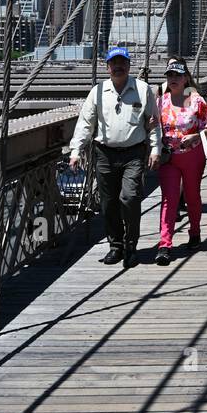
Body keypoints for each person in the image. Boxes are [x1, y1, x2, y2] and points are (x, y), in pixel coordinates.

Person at [68, 46, 161, 269]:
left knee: (129, 198)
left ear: (129, 65)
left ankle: (131, 245)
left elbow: (154, 121)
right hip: (104, 154)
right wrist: (76, 151)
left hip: (133, 153)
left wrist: (156, 149)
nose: (118, 67)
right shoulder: (98, 91)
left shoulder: (142, 89)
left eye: (122, 62)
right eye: (114, 63)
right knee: (108, 203)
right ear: (107, 66)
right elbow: (85, 124)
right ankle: (116, 245)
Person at [154, 57, 207, 266]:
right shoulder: (161, 101)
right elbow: (153, 127)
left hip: (192, 155)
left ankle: (195, 232)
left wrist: (197, 136)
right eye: (170, 75)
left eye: (178, 75)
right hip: (169, 157)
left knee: (191, 196)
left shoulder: (195, 100)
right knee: (169, 199)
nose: (173, 78)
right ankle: (165, 244)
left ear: (186, 78)